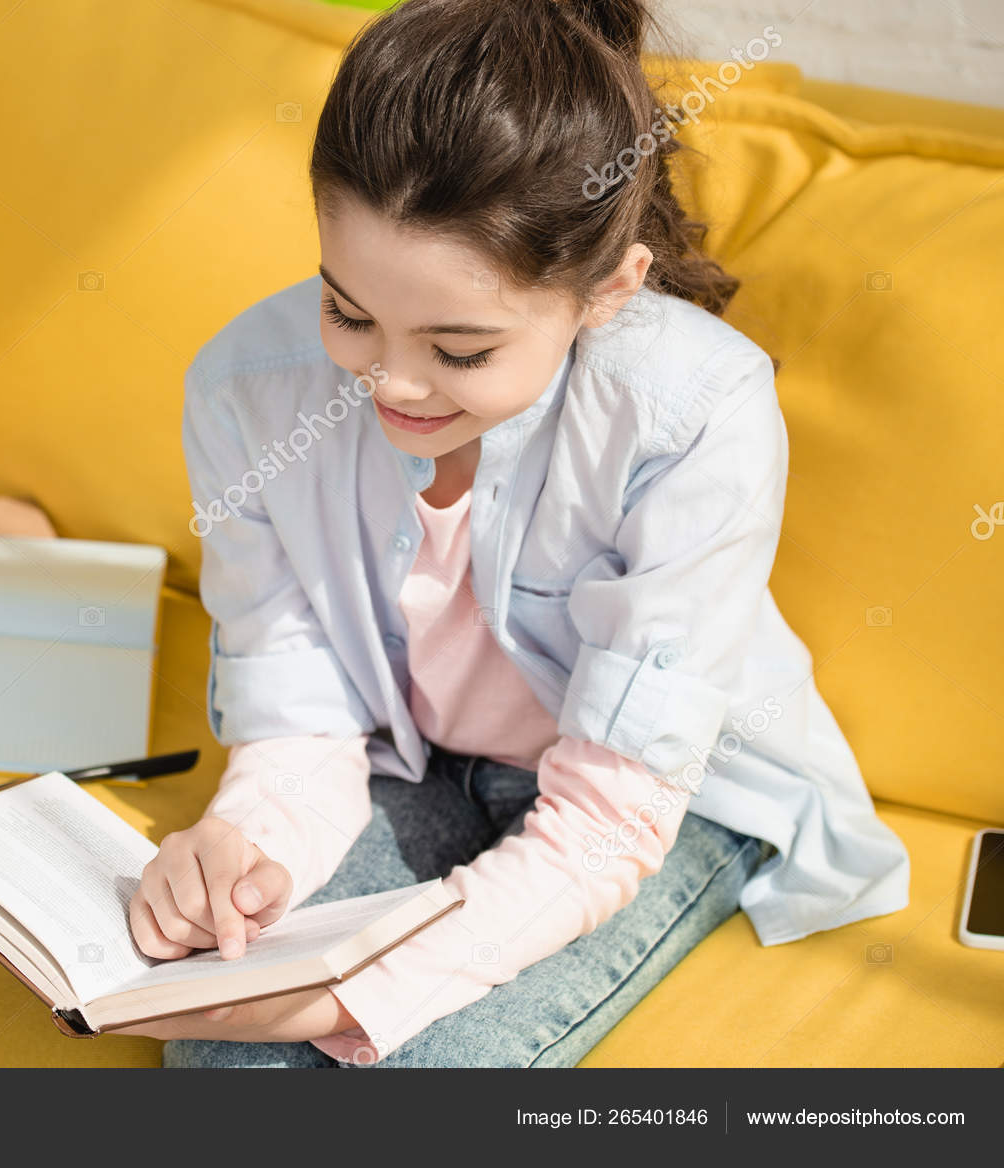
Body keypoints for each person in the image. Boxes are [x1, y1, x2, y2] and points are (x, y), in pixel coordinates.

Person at [119, 0, 909, 1068]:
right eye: (348, 312)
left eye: (459, 346)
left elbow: (610, 814)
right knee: (221, 1049)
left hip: (659, 794)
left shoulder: (695, 411)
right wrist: (239, 847)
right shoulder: (244, 389)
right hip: (413, 756)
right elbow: (299, 713)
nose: (389, 382)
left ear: (608, 290)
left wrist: (353, 989)